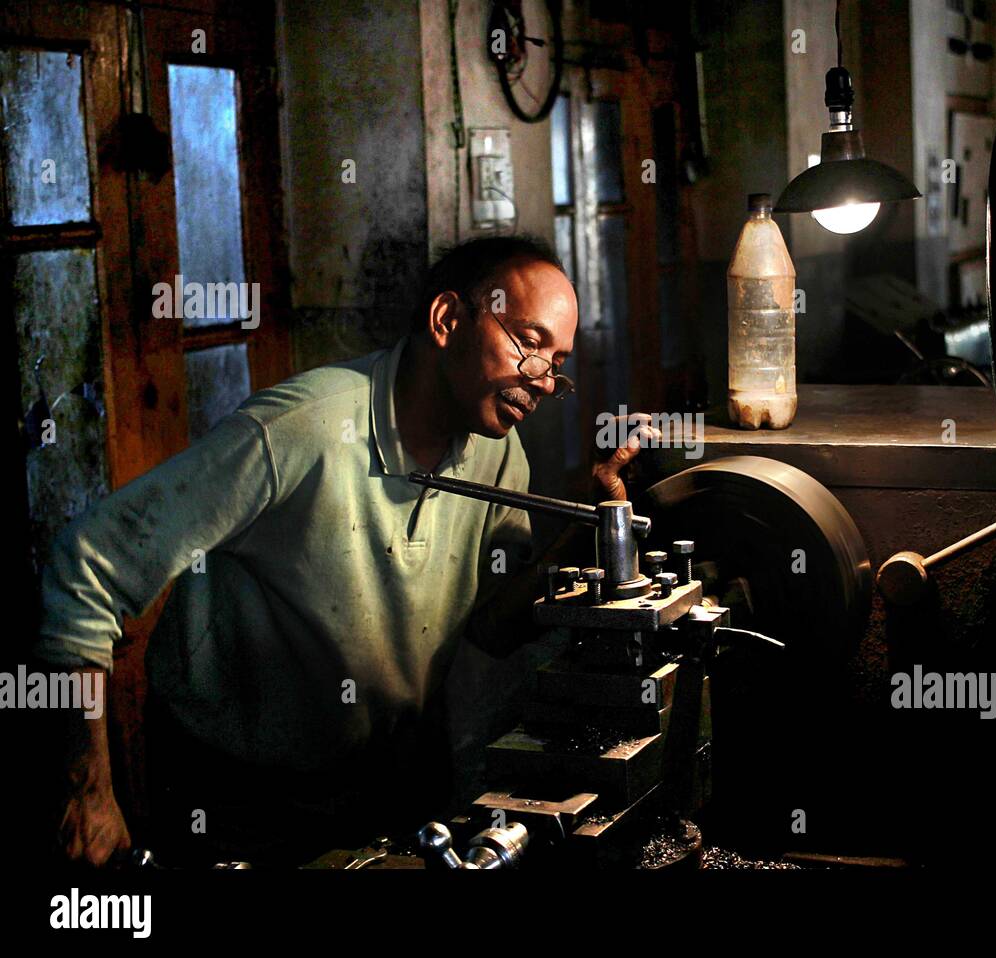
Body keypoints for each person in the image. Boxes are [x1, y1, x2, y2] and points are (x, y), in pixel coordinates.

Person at [37, 235, 648, 866]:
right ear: (447, 320)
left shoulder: (496, 451)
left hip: (390, 793)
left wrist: (602, 518)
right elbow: (86, 565)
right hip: (244, 806)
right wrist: (85, 791)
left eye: (558, 362)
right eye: (528, 342)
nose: (544, 381)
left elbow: (494, 626)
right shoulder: (299, 430)